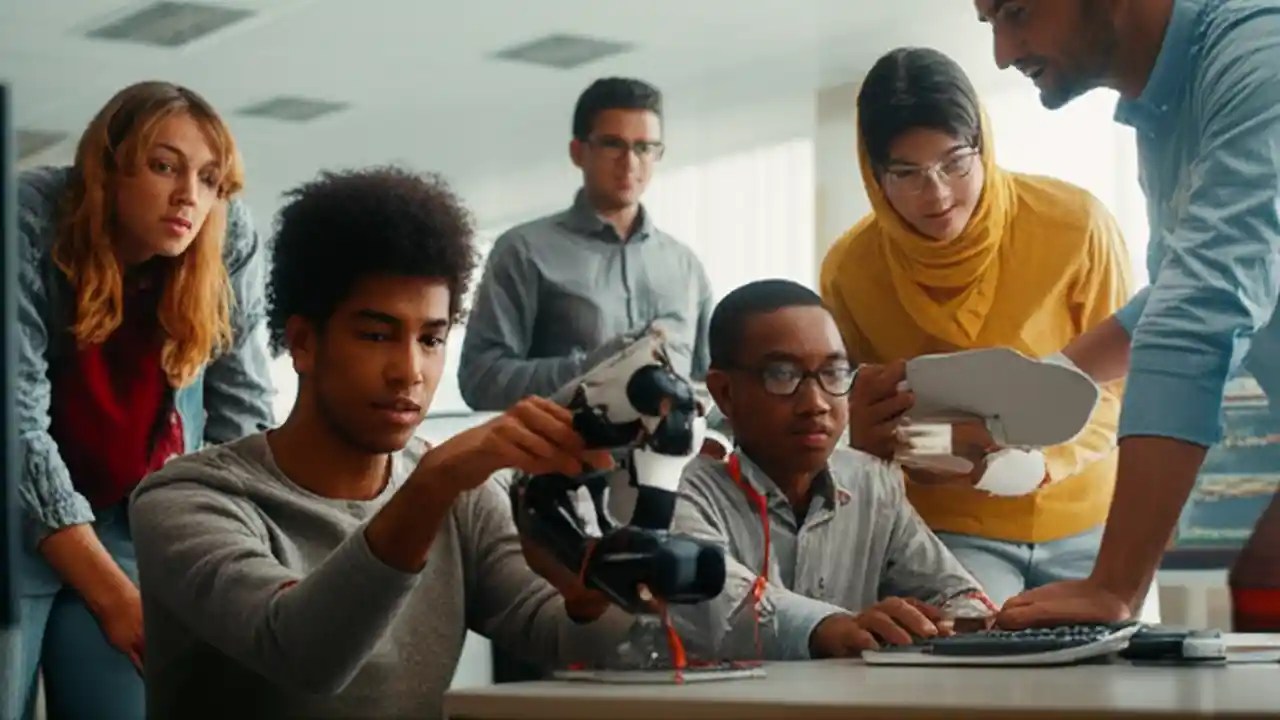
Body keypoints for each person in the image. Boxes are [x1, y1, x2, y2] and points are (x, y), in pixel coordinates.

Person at [129, 167, 633, 719]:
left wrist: (587, 591)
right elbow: (304, 653)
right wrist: (430, 488)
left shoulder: (462, 499)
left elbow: (569, 640)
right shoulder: (186, 500)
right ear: (302, 343)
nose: (409, 371)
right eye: (376, 335)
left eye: (431, 339)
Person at [973, 0, 1280, 631]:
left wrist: (1113, 586)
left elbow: (1200, 309)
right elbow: (1171, 293)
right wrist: (1034, 392)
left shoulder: (1261, 57)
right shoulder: (1164, 111)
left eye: (1017, 11)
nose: (1002, 52)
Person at [818, 48, 1134, 606]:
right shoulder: (850, 271)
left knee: (1108, 683)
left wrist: (1040, 463)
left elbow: (1119, 382)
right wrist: (949, 451)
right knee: (979, 678)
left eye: (954, 163)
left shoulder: (1076, 224)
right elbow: (861, 427)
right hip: (951, 532)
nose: (937, 194)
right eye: (907, 173)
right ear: (874, 174)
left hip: (1090, 520)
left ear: (982, 145)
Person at [3, 81, 273, 720]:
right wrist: (113, 599)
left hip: (131, 517)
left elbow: (244, 417)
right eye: (163, 166)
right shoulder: (26, 217)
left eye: (209, 179)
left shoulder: (226, 237)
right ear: (109, 164)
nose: (189, 196)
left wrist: (242, 570)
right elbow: (15, 426)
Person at [670, 279, 991, 662]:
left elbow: (957, 592)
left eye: (834, 373)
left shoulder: (871, 481)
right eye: (782, 375)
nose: (817, 403)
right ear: (724, 393)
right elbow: (715, 597)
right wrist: (829, 627)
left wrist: (955, 621)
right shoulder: (681, 488)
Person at [458, 77, 714, 411]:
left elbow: (718, 384)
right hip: (564, 460)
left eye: (645, 147)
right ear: (578, 152)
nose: (630, 162)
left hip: (675, 461)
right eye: (612, 144)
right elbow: (482, 381)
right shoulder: (524, 250)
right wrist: (591, 369)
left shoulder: (685, 266)